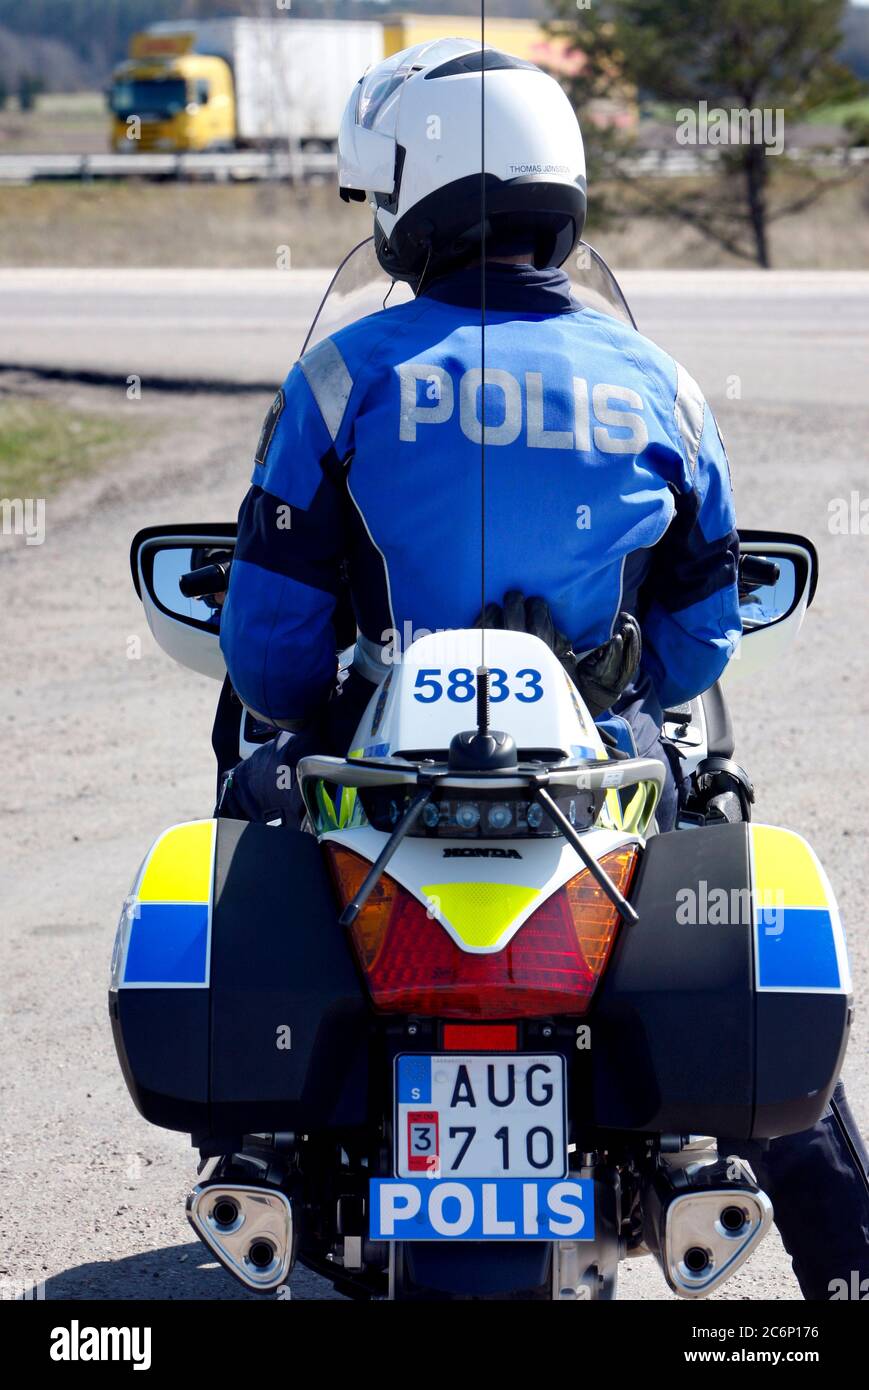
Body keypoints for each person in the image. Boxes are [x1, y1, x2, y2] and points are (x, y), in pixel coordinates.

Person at [217, 38, 868, 1298]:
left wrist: (309, 708)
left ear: (410, 189)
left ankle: (272, 1149)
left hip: (378, 774)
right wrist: (620, 676)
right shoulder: (661, 385)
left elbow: (269, 648)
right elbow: (697, 640)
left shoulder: (342, 373)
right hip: (597, 777)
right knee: (721, 885)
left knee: (252, 811)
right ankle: (842, 1270)